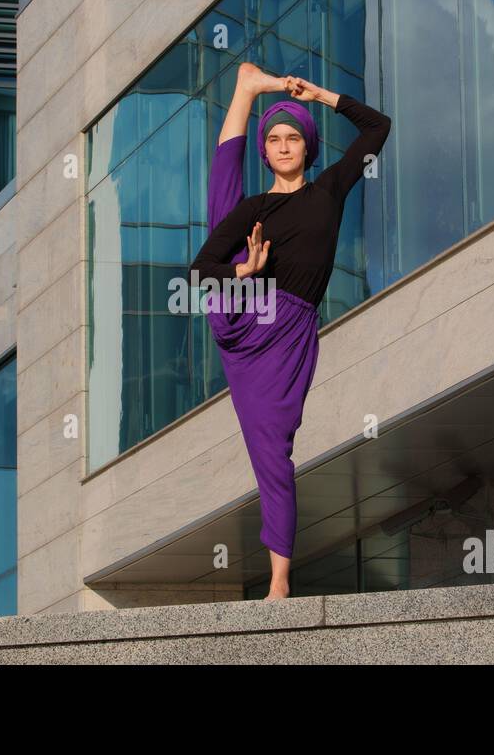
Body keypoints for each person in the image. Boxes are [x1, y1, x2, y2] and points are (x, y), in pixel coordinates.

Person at [190, 61, 392, 600]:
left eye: (293, 138)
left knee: (274, 450)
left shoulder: (329, 191)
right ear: (265, 150)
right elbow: (199, 269)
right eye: (274, 139)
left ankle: (247, 86)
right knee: (222, 211)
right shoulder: (255, 207)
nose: (283, 146)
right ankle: (280, 581)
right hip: (247, 308)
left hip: (294, 330)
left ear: (308, 146)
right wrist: (244, 271)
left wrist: (317, 94)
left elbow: (378, 127)